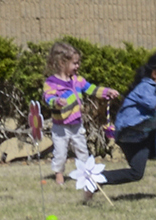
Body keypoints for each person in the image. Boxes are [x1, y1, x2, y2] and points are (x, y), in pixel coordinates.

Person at [96, 50, 156, 192]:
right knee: (136, 173)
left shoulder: (155, 95)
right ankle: (97, 179)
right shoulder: (144, 88)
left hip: (146, 137)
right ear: (155, 74)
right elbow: (152, 102)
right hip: (131, 139)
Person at [37, 42, 117, 187]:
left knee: (82, 150)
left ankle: (87, 174)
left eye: (78, 63)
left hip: (77, 123)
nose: (77, 66)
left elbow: (91, 89)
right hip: (60, 127)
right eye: (74, 63)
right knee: (60, 153)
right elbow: (47, 98)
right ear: (62, 63)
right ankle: (59, 173)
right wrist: (56, 101)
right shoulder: (52, 82)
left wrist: (107, 92)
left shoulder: (77, 80)